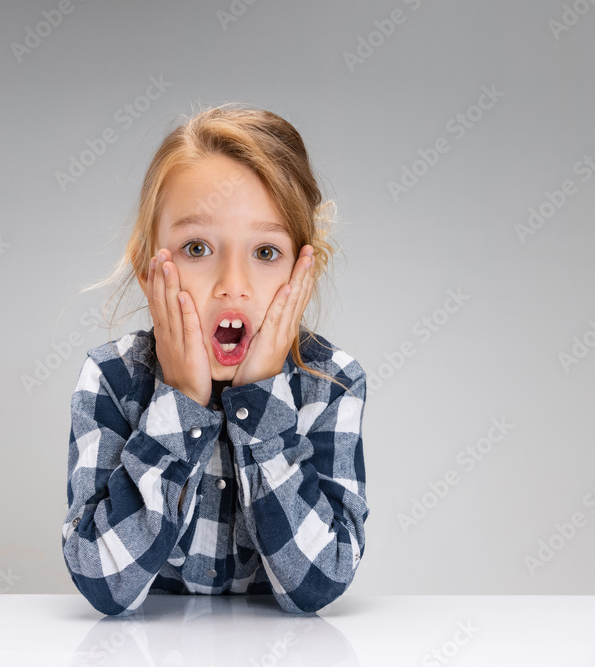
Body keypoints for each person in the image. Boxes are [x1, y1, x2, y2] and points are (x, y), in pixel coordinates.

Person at [61, 102, 367, 616]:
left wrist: (263, 402)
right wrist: (180, 401)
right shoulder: (112, 379)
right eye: (197, 248)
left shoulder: (331, 383)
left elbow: (319, 584)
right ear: (145, 266)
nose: (233, 285)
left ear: (302, 274)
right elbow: (101, 581)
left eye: (265, 252)